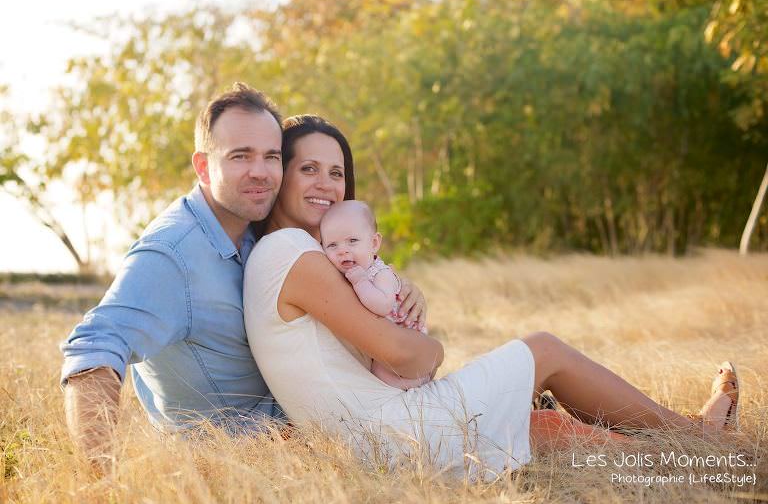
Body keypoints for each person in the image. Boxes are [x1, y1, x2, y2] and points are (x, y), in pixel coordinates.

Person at [243, 114, 739, 479]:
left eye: (336, 172)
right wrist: (430, 347)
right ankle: (695, 440)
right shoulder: (289, 250)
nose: (327, 185)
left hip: (383, 432)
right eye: (308, 169)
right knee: (542, 350)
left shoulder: (312, 255)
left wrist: (403, 294)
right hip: (388, 435)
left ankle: (684, 448)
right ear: (280, 173)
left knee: (541, 426)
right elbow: (403, 354)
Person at [59, 85, 426, 469]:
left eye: (271, 157)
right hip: (238, 466)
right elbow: (94, 346)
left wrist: (397, 284)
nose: (260, 172)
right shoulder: (173, 254)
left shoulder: (253, 228)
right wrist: (98, 480)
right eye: (240, 156)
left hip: (315, 444)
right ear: (203, 166)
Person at [320, 199, 429, 390]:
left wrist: (361, 282)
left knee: (380, 373)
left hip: (406, 337)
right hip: (383, 340)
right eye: (332, 245)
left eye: (352, 241)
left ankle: (418, 383)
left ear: (374, 243)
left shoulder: (381, 274)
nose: (342, 250)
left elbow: (383, 306)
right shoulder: (348, 273)